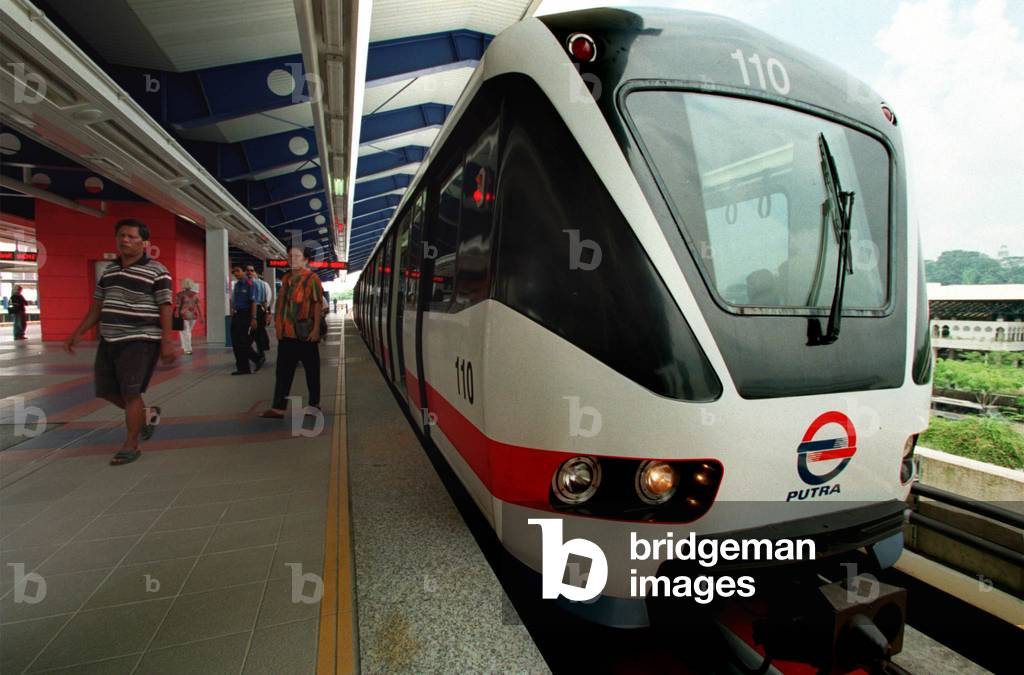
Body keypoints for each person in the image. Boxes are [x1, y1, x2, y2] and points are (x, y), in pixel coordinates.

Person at [64, 219, 175, 465]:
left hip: (140, 340)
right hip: (110, 339)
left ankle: (131, 444)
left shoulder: (158, 271)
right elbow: (97, 306)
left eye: (131, 236)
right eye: (121, 236)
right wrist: (78, 332)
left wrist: (167, 340)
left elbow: (166, 306)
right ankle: (147, 414)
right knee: (106, 391)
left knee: (131, 392)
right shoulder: (109, 271)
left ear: (144, 243)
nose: (125, 240)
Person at [260, 246, 323, 418]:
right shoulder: (286, 278)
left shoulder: (312, 278)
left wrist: (316, 329)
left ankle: (314, 404)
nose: (292, 259)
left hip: (305, 334)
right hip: (286, 334)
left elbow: (317, 304)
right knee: (283, 372)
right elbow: (281, 305)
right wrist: (278, 328)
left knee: (312, 371)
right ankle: (278, 408)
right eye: (290, 256)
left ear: (306, 260)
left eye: (297, 256)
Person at [230, 266, 264, 375]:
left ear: (243, 272)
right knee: (235, 342)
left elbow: (253, 302)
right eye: (234, 272)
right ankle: (242, 368)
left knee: (243, 342)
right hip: (237, 314)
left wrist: (253, 318)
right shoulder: (237, 285)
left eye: (238, 271)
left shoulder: (250, 284)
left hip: (246, 315)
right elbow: (234, 301)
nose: (236, 273)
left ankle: (257, 358)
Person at [246, 265, 271, 360]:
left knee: (256, 334)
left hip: (258, 311)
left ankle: (258, 356)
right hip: (246, 311)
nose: (249, 272)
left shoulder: (262, 285)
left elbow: (265, 300)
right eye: (247, 270)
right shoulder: (243, 284)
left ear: (255, 273)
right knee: (254, 335)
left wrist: (267, 313)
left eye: (251, 270)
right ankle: (258, 356)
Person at [175, 278, 203, 355]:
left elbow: (178, 305)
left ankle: (188, 349)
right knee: (187, 332)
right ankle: (184, 346)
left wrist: (176, 313)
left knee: (185, 332)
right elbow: (199, 306)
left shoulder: (180, 294)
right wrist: (201, 317)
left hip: (183, 315)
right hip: (193, 316)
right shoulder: (195, 294)